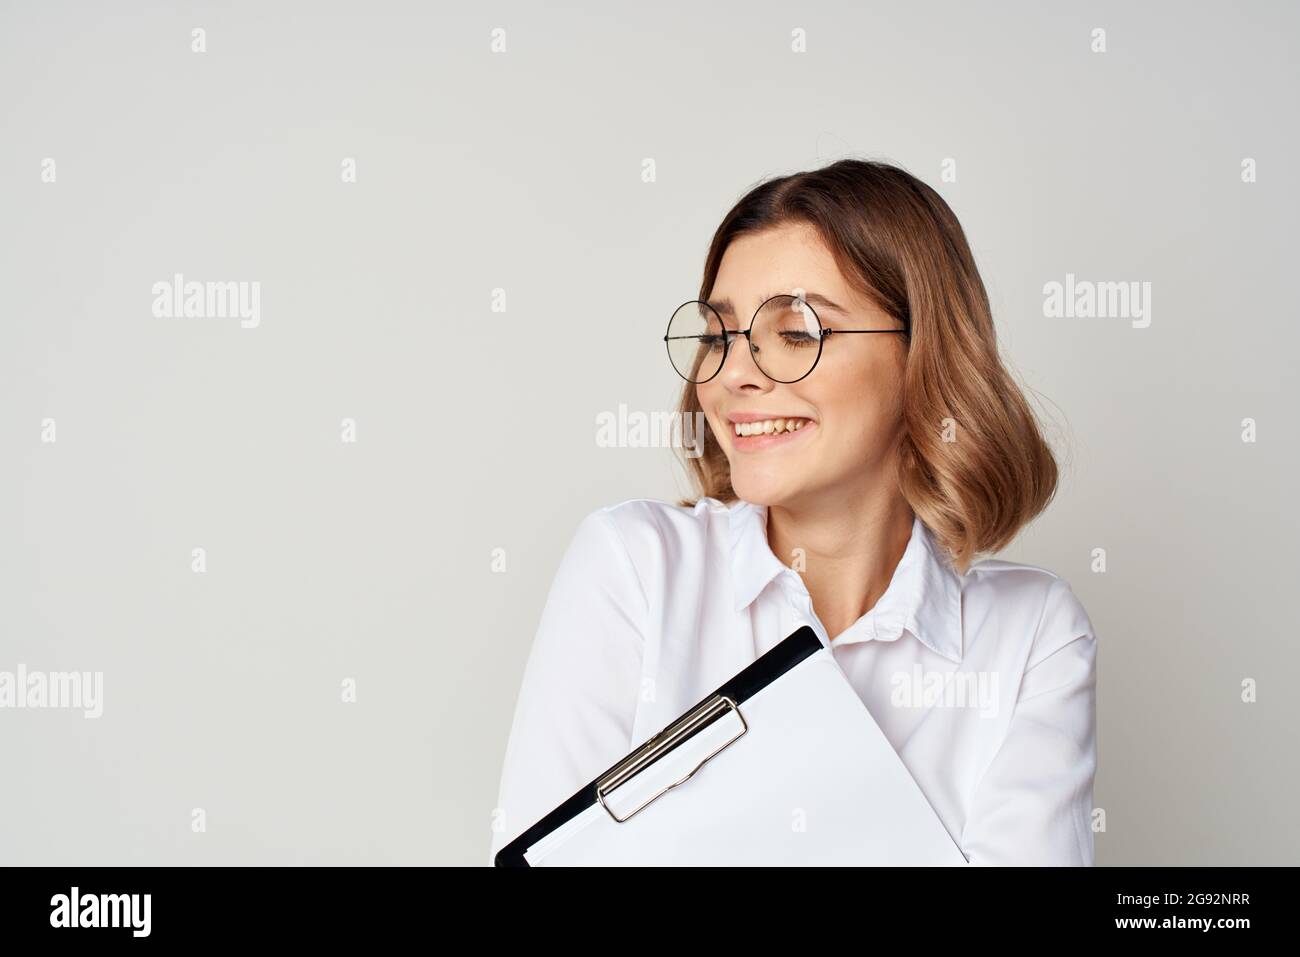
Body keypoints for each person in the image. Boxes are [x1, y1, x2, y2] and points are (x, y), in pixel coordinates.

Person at [489, 159, 1097, 866]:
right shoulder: (637, 567)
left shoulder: (1031, 636)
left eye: (798, 332)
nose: (735, 373)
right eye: (719, 336)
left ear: (922, 355)